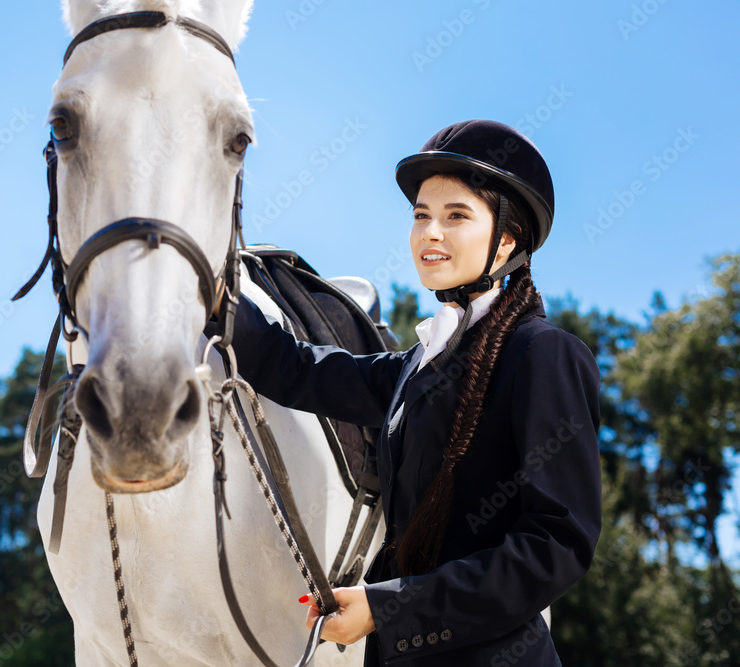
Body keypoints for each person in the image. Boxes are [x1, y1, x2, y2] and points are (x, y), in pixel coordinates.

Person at [229, 120, 602, 665]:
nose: (430, 232)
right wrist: (211, 281)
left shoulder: (545, 354)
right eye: (422, 216)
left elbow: (557, 546)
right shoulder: (417, 366)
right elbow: (299, 371)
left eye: (456, 216)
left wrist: (389, 608)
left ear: (505, 241)